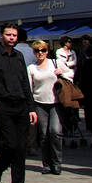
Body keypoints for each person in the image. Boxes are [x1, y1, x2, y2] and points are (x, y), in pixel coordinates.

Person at [0, 23, 36, 183]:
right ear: (1, 36)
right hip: (3, 106)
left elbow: (24, 83)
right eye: (8, 34)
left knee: (21, 149)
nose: (12, 37)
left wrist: (31, 107)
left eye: (14, 35)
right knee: (9, 146)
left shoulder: (19, 56)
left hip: (21, 105)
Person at [29, 40, 63, 174]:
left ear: (47, 51)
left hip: (56, 102)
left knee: (55, 132)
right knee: (43, 135)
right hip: (39, 103)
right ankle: (47, 164)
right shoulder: (31, 68)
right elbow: (29, 88)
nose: (40, 53)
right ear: (34, 52)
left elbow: (71, 76)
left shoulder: (55, 63)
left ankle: (57, 162)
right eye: (37, 51)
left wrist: (63, 73)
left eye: (43, 50)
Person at [54, 37, 81, 146]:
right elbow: (63, 63)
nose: (70, 44)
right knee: (65, 106)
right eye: (69, 42)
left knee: (73, 106)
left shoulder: (73, 52)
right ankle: (66, 128)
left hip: (72, 80)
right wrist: (69, 66)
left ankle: (72, 127)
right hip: (65, 80)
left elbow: (75, 62)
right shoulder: (59, 52)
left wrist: (68, 66)